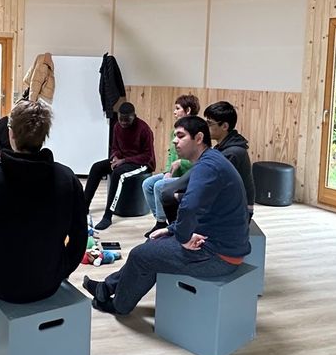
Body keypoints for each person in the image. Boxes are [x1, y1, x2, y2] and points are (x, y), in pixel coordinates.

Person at [83, 116, 250, 315]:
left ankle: (118, 305)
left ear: (198, 138)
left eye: (180, 136)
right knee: (151, 247)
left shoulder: (207, 166)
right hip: (215, 242)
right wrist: (170, 229)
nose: (174, 141)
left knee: (139, 254)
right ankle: (107, 288)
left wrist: (183, 237)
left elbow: (189, 206)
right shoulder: (210, 161)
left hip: (220, 256)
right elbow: (203, 211)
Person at [0, 101, 87, 305]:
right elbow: (80, 235)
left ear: (11, 133)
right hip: (51, 282)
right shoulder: (68, 179)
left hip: (3, 284)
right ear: (44, 135)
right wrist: (63, 269)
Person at [158, 100, 255, 226]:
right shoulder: (223, 147)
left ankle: (180, 233)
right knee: (168, 191)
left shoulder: (233, 152)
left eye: (209, 123)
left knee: (171, 195)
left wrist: (179, 194)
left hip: (238, 211)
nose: (205, 127)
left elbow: (209, 184)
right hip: (224, 201)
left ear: (224, 126)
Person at [84, 102, 155, 231]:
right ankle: (84, 206)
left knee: (118, 174)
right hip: (123, 160)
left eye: (126, 120)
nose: (123, 122)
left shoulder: (144, 129)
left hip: (141, 163)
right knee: (96, 167)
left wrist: (124, 161)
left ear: (134, 116)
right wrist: (115, 156)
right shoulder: (117, 126)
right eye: (121, 119)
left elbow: (148, 156)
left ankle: (108, 216)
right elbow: (115, 147)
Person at [141, 94, 200, 237]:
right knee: (147, 184)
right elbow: (170, 155)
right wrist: (168, 170)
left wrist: (181, 163)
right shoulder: (173, 131)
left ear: (188, 110)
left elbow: (199, 159)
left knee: (159, 186)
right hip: (175, 173)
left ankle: (162, 223)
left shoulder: (197, 130)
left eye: (177, 108)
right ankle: (161, 221)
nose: (174, 112)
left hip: (189, 175)